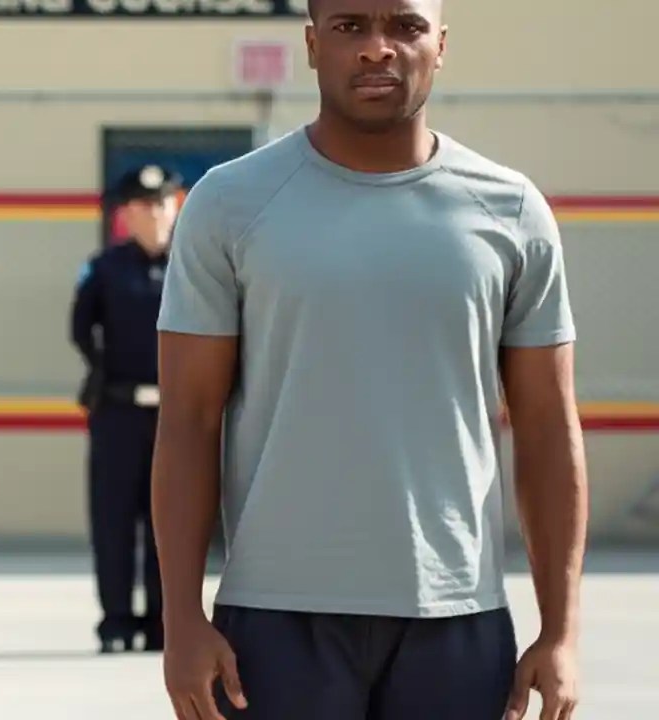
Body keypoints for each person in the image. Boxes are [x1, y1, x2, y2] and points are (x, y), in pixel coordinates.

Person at [151, 1, 586, 719]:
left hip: (457, 615)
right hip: (275, 620)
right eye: (352, 26)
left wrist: (562, 632)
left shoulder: (511, 211)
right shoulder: (229, 205)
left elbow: (547, 427)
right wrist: (181, 620)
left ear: (440, 46)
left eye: (405, 27)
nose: (378, 49)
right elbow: (189, 420)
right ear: (313, 44)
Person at [70, 164, 182, 654]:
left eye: (160, 204)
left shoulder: (195, 265)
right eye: (142, 206)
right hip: (118, 412)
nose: (153, 214)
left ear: (175, 207)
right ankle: (116, 620)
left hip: (177, 416)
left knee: (171, 521)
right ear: (126, 214)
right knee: (113, 520)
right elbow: (80, 327)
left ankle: (164, 623)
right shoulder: (105, 268)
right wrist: (97, 369)